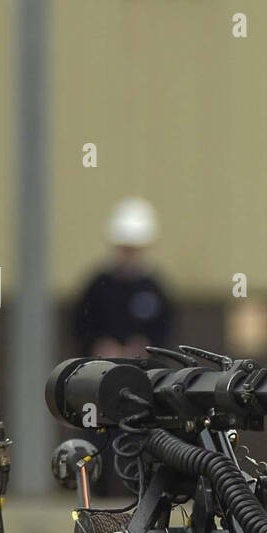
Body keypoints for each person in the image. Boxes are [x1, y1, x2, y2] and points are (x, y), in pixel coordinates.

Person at [73, 197, 173, 495]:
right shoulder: (97, 285)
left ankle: (141, 491)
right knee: (96, 436)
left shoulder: (154, 289)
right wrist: (98, 345)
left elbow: (163, 331)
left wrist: (145, 349)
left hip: (139, 383)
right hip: (98, 381)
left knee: (139, 438)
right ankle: (94, 490)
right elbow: (81, 326)